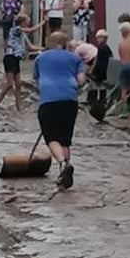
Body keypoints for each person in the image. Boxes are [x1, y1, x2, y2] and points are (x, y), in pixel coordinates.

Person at [33, 32, 87, 189]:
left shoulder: (40, 58)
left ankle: (63, 164)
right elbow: (81, 81)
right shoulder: (75, 58)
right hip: (70, 101)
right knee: (65, 139)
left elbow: (36, 80)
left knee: (51, 138)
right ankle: (65, 174)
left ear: (51, 43)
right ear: (65, 44)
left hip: (49, 99)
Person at [0, 13, 41, 112]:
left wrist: (45, 48)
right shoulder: (15, 29)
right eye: (27, 22)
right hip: (10, 57)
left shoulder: (23, 35)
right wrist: (43, 22)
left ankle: (18, 107)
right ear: (22, 22)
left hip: (16, 59)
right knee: (10, 83)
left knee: (18, 84)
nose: (28, 24)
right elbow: (31, 30)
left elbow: (31, 47)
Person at [87, 28, 114, 113]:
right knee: (100, 85)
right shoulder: (105, 48)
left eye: (99, 38)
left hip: (100, 70)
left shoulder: (102, 48)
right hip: (102, 69)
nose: (97, 40)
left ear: (104, 38)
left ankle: (95, 101)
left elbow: (97, 60)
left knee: (96, 85)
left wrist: (92, 70)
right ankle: (101, 100)